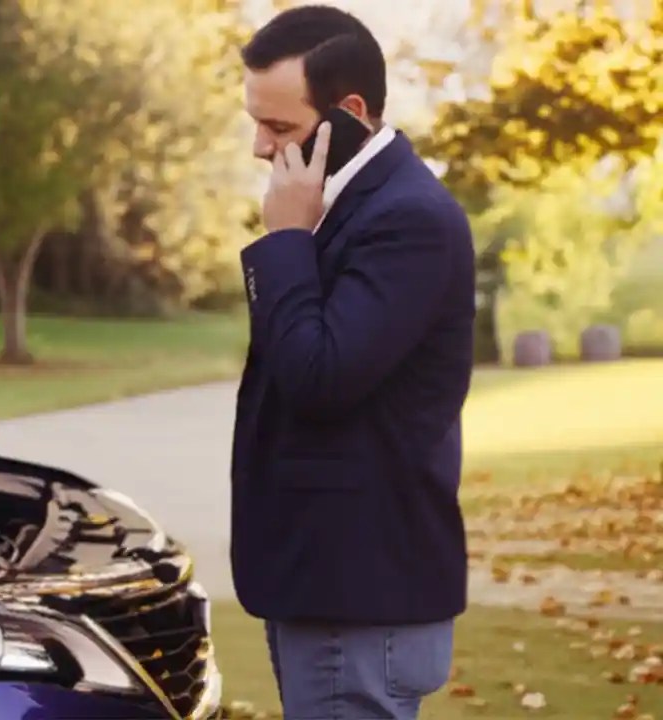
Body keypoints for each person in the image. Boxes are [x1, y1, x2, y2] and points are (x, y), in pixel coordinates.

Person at [230, 5, 476, 719]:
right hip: (325, 584)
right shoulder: (347, 207)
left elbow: (320, 377)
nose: (258, 147)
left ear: (350, 112)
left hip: (360, 594)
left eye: (279, 128)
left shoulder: (409, 220)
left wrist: (285, 242)